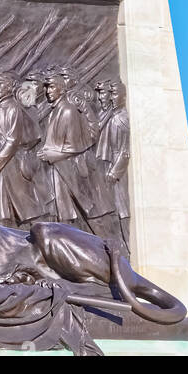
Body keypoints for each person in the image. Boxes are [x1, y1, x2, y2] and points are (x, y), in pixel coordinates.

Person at [39, 68, 121, 243]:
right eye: (46, 87)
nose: (47, 91)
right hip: (60, 169)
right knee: (65, 213)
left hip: (73, 169)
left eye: (52, 87)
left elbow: (76, 144)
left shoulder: (69, 110)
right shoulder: (56, 110)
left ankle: (110, 249)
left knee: (89, 212)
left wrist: (52, 154)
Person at [0, 73, 44, 229]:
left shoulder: (12, 108)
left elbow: (12, 140)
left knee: (26, 207)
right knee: (4, 207)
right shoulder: (3, 106)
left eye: (1, 84)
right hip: (6, 165)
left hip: (13, 165)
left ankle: (44, 237)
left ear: (11, 87)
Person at [95, 78, 131, 251]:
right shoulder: (111, 116)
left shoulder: (121, 119)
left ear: (123, 97)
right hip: (105, 165)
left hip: (114, 169)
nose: (110, 98)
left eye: (115, 94)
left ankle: (126, 243)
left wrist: (113, 173)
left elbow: (125, 152)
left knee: (121, 206)